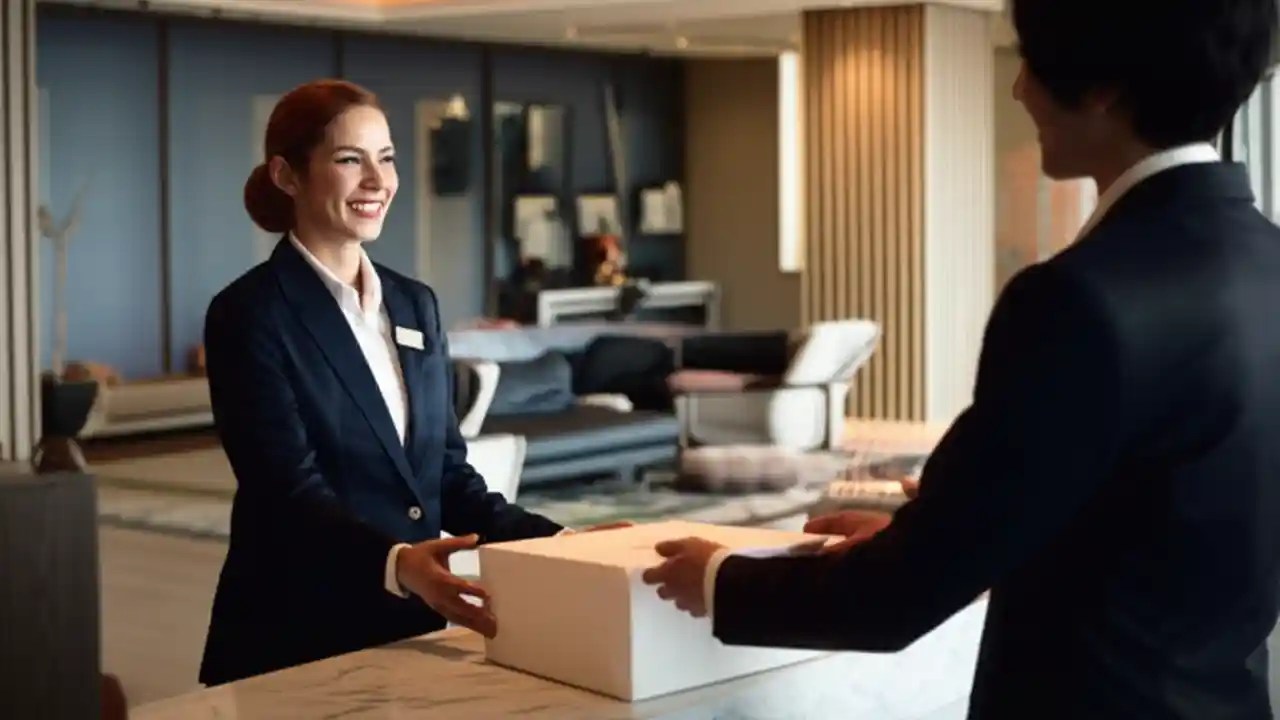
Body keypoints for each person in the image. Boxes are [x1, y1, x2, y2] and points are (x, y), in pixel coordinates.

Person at [643, 1, 1280, 716]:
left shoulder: (1077, 300)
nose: (1019, 90)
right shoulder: (1266, 263)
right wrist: (952, 529)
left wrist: (720, 578)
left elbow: (895, 599)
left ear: (1104, 90)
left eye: (1030, 63)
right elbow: (1164, 522)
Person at [198, 79, 619, 686]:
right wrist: (397, 563)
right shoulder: (250, 313)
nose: (377, 180)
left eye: (386, 158)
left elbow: (444, 476)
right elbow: (285, 490)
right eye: (349, 160)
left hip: (411, 630)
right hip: (295, 632)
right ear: (287, 176)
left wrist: (565, 543)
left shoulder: (415, 304)